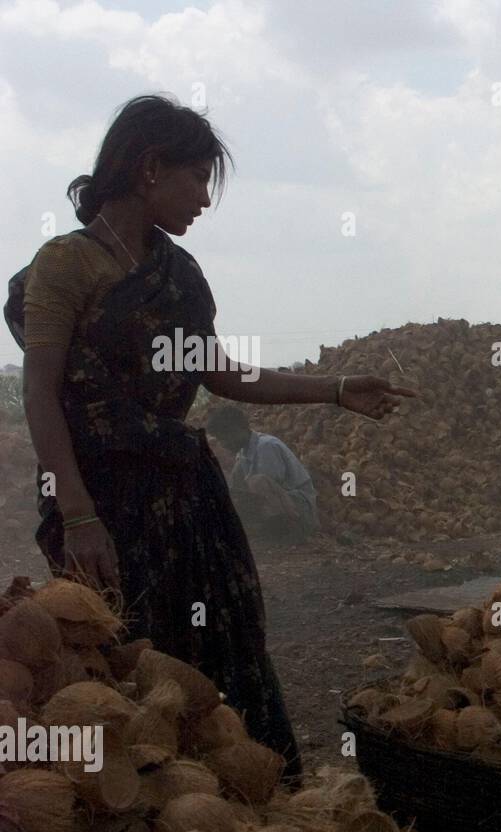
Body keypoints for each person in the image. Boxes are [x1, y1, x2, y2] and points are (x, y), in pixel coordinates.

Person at [3, 94, 415, 781]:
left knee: (224, 649)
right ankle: (142, 817)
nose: (203, 199)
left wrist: (337, 389)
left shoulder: (180, 276)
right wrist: (79, 515)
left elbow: (220, 373)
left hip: (185, 497)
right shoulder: (66, 265)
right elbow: (40, 391)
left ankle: (246, 800)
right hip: (104, 500)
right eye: (198, 178)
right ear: (150, 168)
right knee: (124, 661)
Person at [207, 405, 319, 543]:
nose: (223, 443)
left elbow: (267, 490)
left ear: (238, 429)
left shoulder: (266, 446)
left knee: (257, 482)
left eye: (224, 437)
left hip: (300, 512)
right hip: (282, 505)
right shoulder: (243, 454)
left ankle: (288, 531)